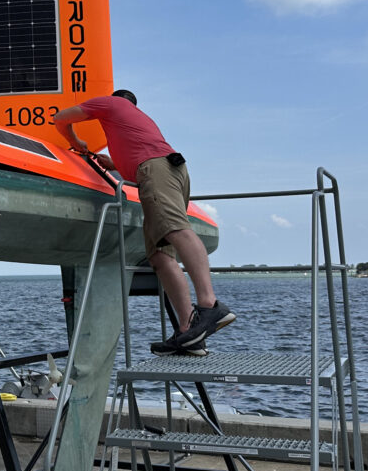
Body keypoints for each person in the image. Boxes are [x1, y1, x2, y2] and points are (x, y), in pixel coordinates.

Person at [54, 90, 234, 356]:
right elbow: (142, 158)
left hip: (156, 171)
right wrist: (115, 164)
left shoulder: (110, 103)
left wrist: (76, 142)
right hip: (168, 171)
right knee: (160, 256)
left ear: (117, 100)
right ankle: (189, 334)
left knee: (176, 230)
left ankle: (210, 306)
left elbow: (60, 118)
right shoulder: (140, 121)